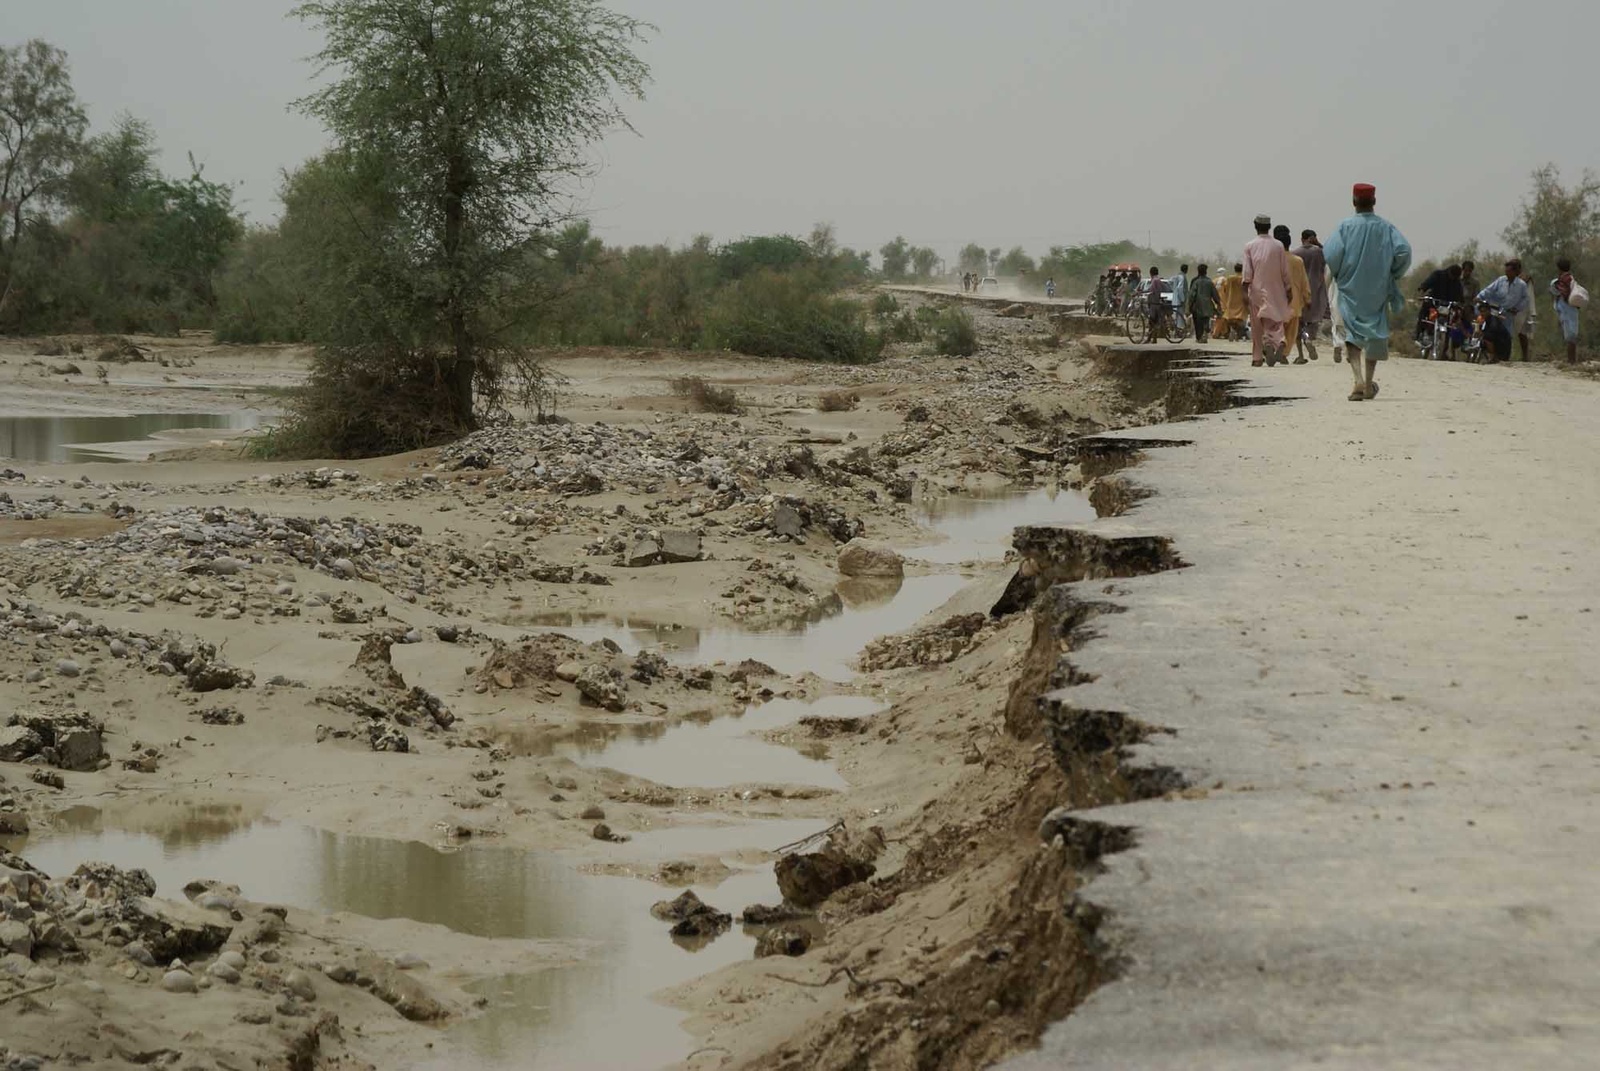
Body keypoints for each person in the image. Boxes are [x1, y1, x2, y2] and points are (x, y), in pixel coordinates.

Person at [1325, 182, 1412, 401]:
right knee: (1374, 333)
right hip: (1378, 289)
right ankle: (1368, 383)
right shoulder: (1386, 227)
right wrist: (1393, 272)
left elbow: (1332, 255)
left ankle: (1358, 380)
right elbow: (1404, 251)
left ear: (1353, 202)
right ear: (1374, 201)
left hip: (1350, 288)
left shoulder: (1344, 227)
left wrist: (1340, 274)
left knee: (1353, 334)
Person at [1243, 214, 1292, 366]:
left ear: (1255, 226)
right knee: (1275, 322)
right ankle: (1279, 341)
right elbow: (1285, 270)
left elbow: (1247, 273)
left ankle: (1258, 358)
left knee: (1257, 325)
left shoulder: (1249, 246)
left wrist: (1244, 292)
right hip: (1276, 290)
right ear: (1269, 227)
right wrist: (1288, 288)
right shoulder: (1279, 246)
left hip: (1257, 290)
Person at [1475, 259, 1531, 363]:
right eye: (1506, 271)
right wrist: (1479, 297)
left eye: (1509, 271)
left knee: (1507, 335)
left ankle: (1504, 356)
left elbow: (1525, 299)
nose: (1507, 273)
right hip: (1495, 311)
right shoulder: (1501, 281)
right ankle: (1491, 354)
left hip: (1508, 314)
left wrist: (1517, 308)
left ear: (1515, 272)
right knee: (1491, 330)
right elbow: (1489, 290)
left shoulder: (1521, 285)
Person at [1275, 225, 1314, 363]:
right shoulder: (1297, 261)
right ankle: (1284, 352)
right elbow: (1304, 282)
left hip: (1275, 302)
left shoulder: (1272, 260)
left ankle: (1278, 344)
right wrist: (1307, 299)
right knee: (1292, 331)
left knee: (1275, 328)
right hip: (1295, 302)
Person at [1294, 230, 1329, 360]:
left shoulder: (1295, 253)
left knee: (1299, 323)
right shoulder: (1319, 252)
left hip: (1300, 291)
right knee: (1313, 321)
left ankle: (1300, 354)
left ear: (1301, 239)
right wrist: (1319, 244)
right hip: (1317, 290)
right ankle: (1308, 339)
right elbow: (1331, 256)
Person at [1551, 257, 1581, 363]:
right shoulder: (1570, 278)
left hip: (1567, 309)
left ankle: (1571, 361)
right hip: (1571, 309)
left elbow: (1562, 293)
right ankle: (1572, 360)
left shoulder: (1563, 279)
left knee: (1570, 335)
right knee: (1572, 335)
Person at [1215, 263, 1249, 340]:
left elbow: (1224, 289)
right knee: (1240, 318)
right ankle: (1239, 334)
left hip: (1231, 301)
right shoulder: (1243, 279)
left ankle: (1233, 331)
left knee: (1231, 317)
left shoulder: (1230, 279)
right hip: (1241, 301)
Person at [1187, 263, 1220, 344]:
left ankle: (1199, 337)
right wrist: (1218, 302)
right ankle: (1205, 333)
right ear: (1206, 272)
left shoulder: (1196, 282)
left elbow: (1191, 295)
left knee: (1198, 322)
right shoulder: (1209, 282)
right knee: (1205, 320)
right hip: (1207, 306)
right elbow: (1215, 294)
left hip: (1197, 306)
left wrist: (1188, 307)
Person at [1143, 266, 1169, 342]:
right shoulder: (1159, 280)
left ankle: (1150, 338)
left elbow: (1150, 289)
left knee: (1152, 321)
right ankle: (1153, 339)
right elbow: (1165, 288)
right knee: (1155, 321)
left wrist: (1141, 291)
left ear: (1151, 273)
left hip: (1153, 303)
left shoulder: (1154, 280)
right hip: (1157, 302)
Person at [1169, 264, 1189, 334]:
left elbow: (1169, 282)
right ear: (1186, 270)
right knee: (1180, 316)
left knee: (1176, 316)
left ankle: (1176, 331)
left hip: (1175, 299)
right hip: (1180, 300)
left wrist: (1173, 290)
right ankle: (1179, 331)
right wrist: (1182, 299)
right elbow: (1180, 288)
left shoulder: (1176, 276)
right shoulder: (1182, 277)